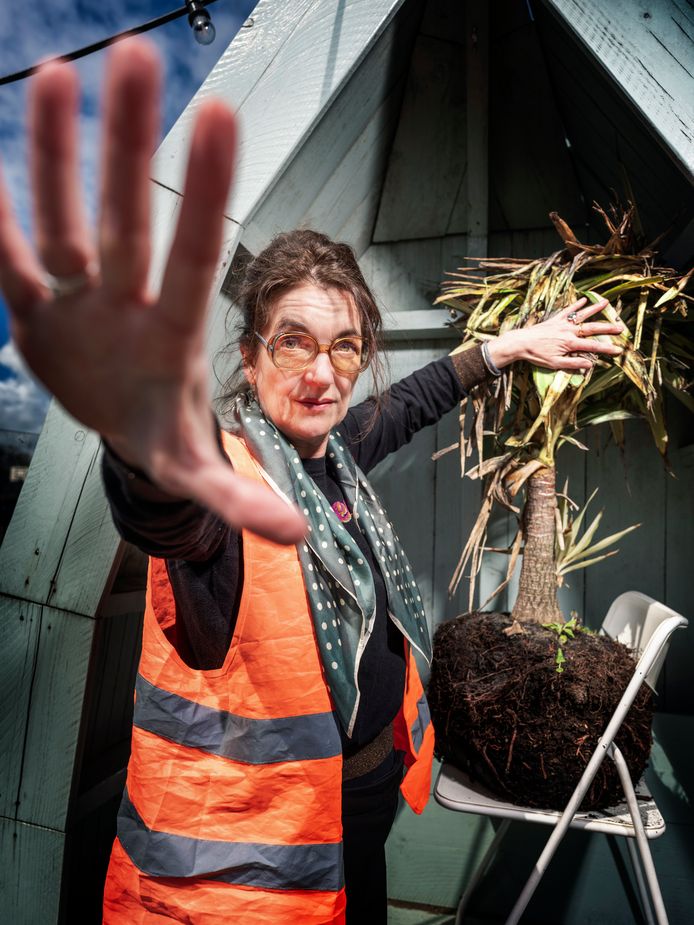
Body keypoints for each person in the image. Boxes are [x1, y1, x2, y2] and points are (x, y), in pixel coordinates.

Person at [0, 40, 625, 925]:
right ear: (250, 358)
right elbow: (166, 506)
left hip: (350, 823)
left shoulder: (324, 461)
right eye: (294, 340)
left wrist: (510, 348)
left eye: (345, 346)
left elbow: (409, 402)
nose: (324, 373)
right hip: (252, 875)